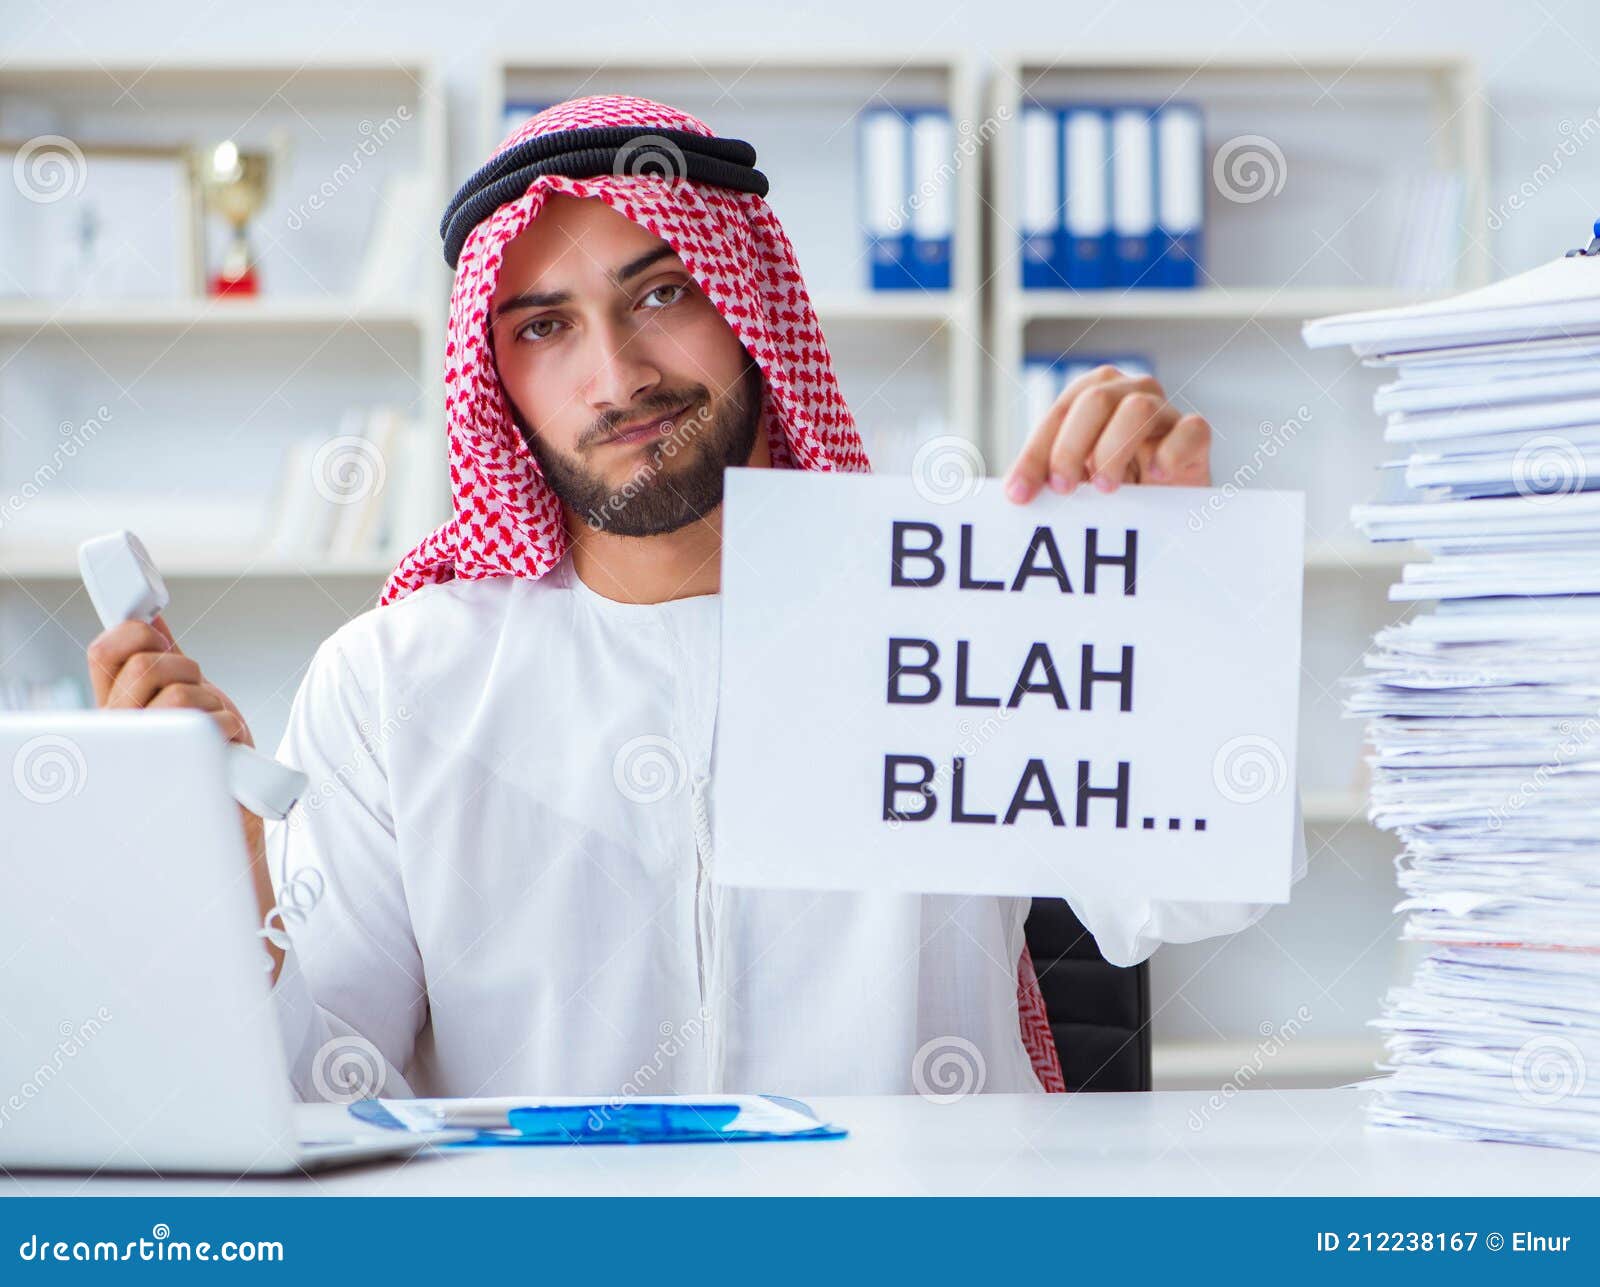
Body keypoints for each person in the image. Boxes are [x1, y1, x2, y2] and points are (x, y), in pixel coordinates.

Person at [86, 95, 1305, 1102]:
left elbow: (1203, 886)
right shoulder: (395, 682)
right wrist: (223, 890)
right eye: (544, 327)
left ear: (749, 307)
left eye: (661, 294)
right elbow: (327, 1098)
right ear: (493, 377)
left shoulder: (960, 605)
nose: (614, 376)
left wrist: (1173, 578)